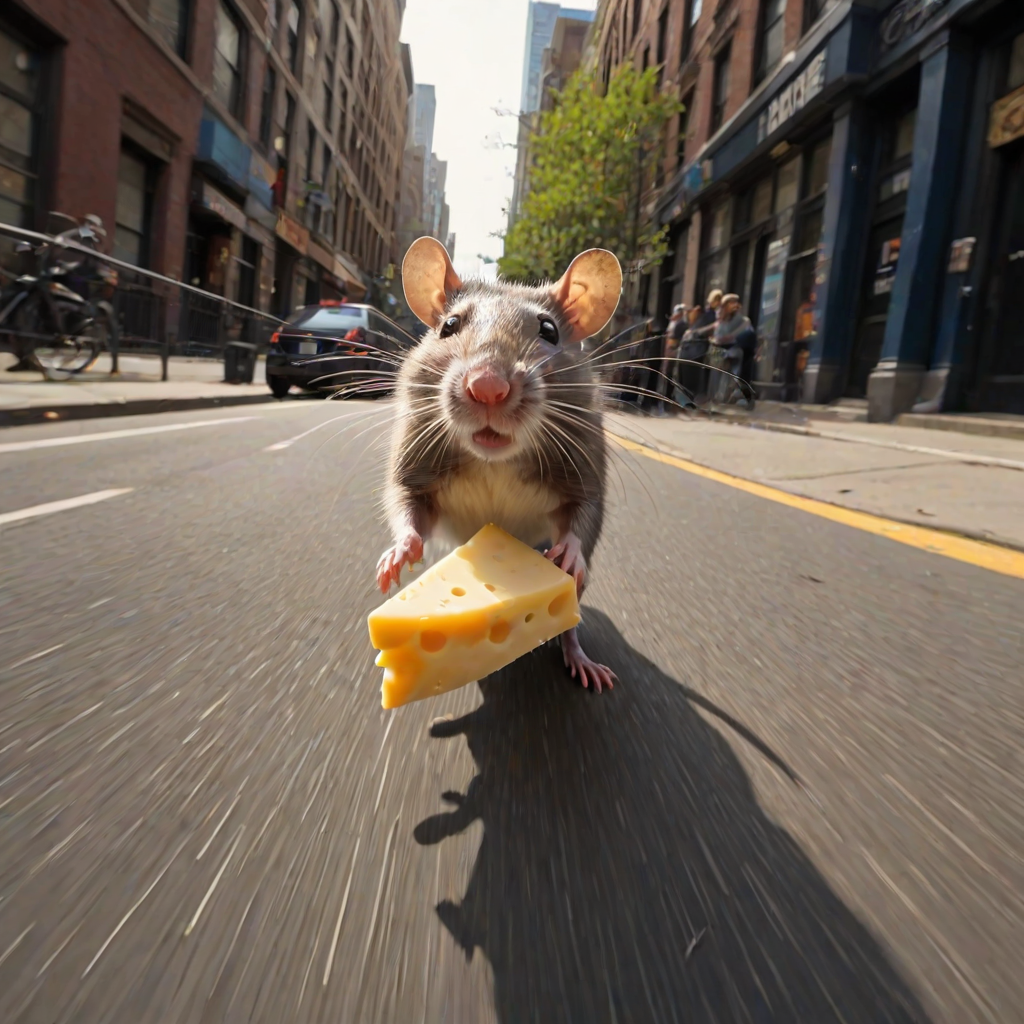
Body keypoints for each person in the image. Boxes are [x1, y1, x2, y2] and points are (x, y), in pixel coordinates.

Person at [710, 293, 756, 406]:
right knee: (716, 373)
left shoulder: (744, 321)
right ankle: (717, 397)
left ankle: (730, 396)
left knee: (732, 375)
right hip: (720, 352)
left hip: (736, 351)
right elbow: (718, 335)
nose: (734, 305)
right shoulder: (721, 321)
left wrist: (721, 339)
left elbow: (734, 336)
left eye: (735, 302)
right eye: (731, 303)